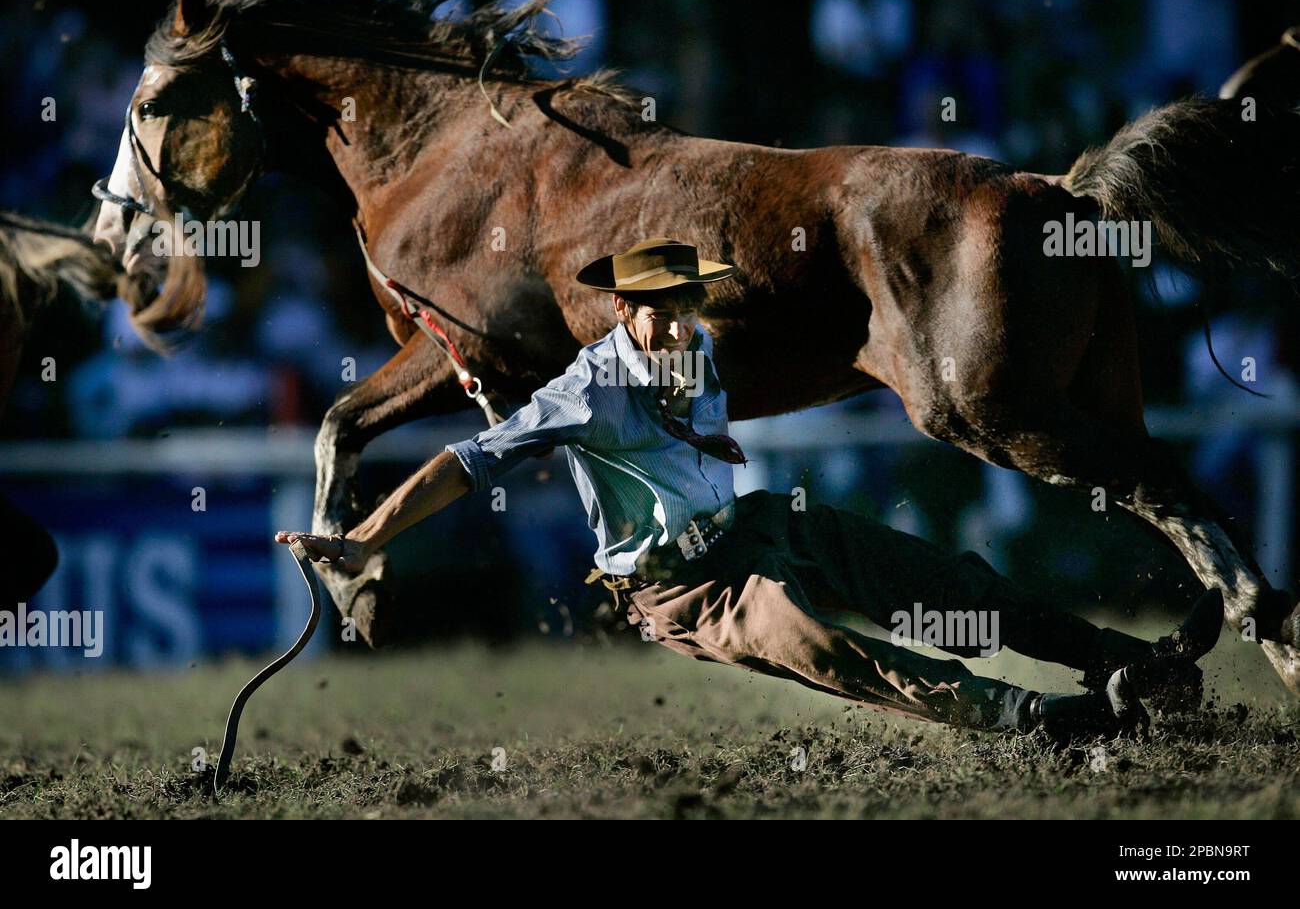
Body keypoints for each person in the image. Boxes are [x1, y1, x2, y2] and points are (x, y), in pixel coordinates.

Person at [277, 237, 1222, 741]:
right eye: (659, 310)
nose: (679, 324)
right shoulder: (583, 390)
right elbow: (463, 463)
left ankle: (1125, 664)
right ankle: (1042, 720)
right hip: (687, 589)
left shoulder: (702, 355)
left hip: (759, 527)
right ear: (623, 311)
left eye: (686, 306)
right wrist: (368, 537)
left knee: (951, 586)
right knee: (825, 649)